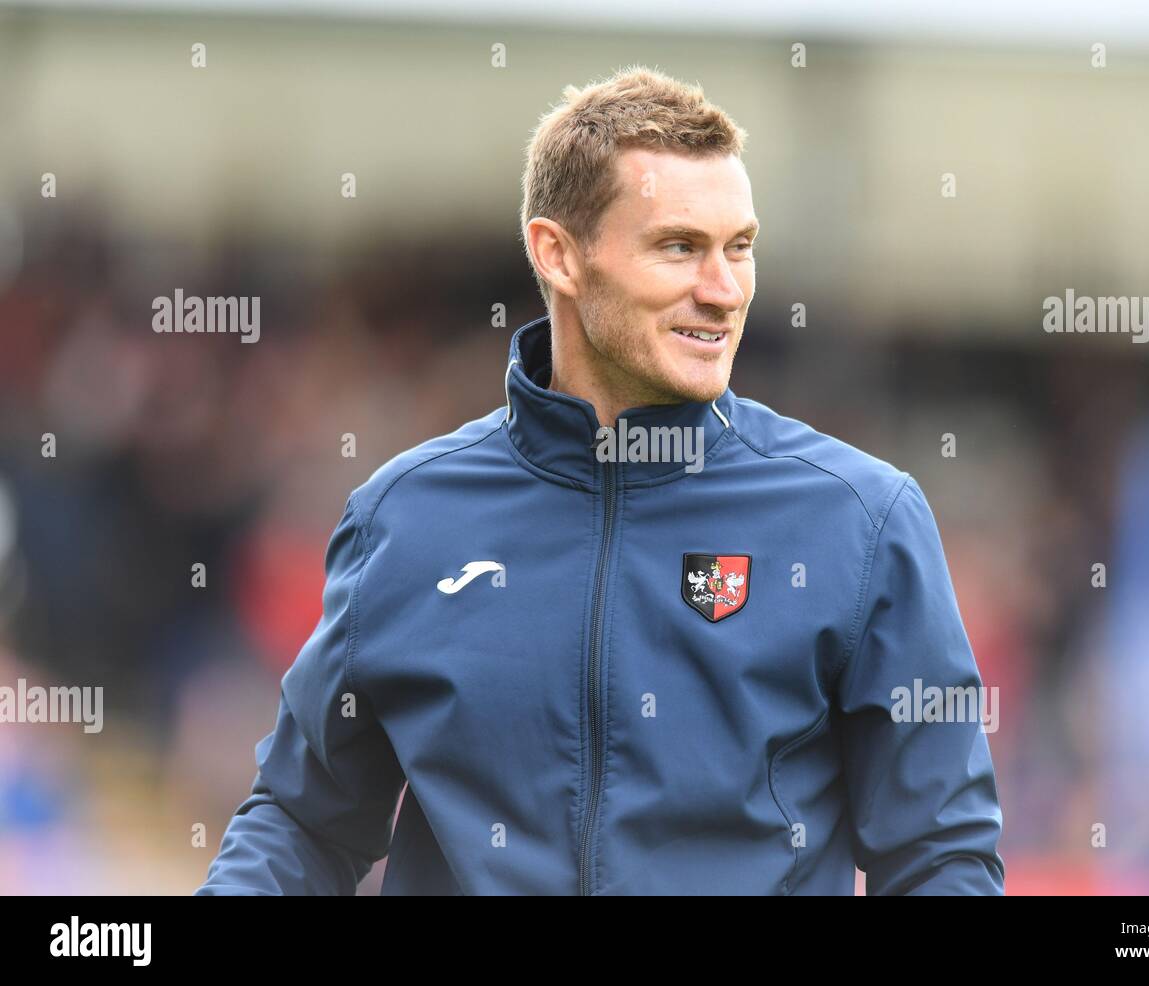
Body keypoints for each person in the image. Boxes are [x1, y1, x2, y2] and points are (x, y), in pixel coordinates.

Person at [198, 65, 1005, 895]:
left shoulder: (861, 521)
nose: (723, 291)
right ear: (560, 256)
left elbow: (942, 857)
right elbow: (302, 824)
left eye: (740, 248)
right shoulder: (405, 521)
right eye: (680, 247)